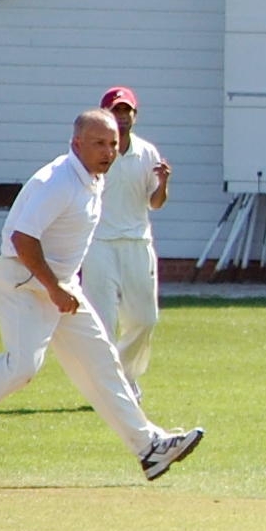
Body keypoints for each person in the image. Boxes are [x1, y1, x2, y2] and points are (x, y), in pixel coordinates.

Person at [0, 110, 204, 482]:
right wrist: (53, 289)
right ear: (76, 144)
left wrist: (60, 287)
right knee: (23, 367)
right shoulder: (57, 181)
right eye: (98, 144)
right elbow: (22, 239)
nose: (108, 151)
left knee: (102, 362)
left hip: (60, 285)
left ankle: (149, 448)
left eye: (112, 144)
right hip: (22, 282)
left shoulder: (93, 178)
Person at [81, 85, 168, 396]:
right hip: (99, 244)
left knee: (145, 319)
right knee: (102, 322)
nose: (122, 116)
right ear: (104, 114)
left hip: (137, 243)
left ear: (135, 115)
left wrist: (165, 183)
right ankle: (109, 388)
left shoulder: (147, 153)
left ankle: (124, 376)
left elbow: (154, 203)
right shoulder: (92, 152)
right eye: (116, 110)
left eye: (126, 110)